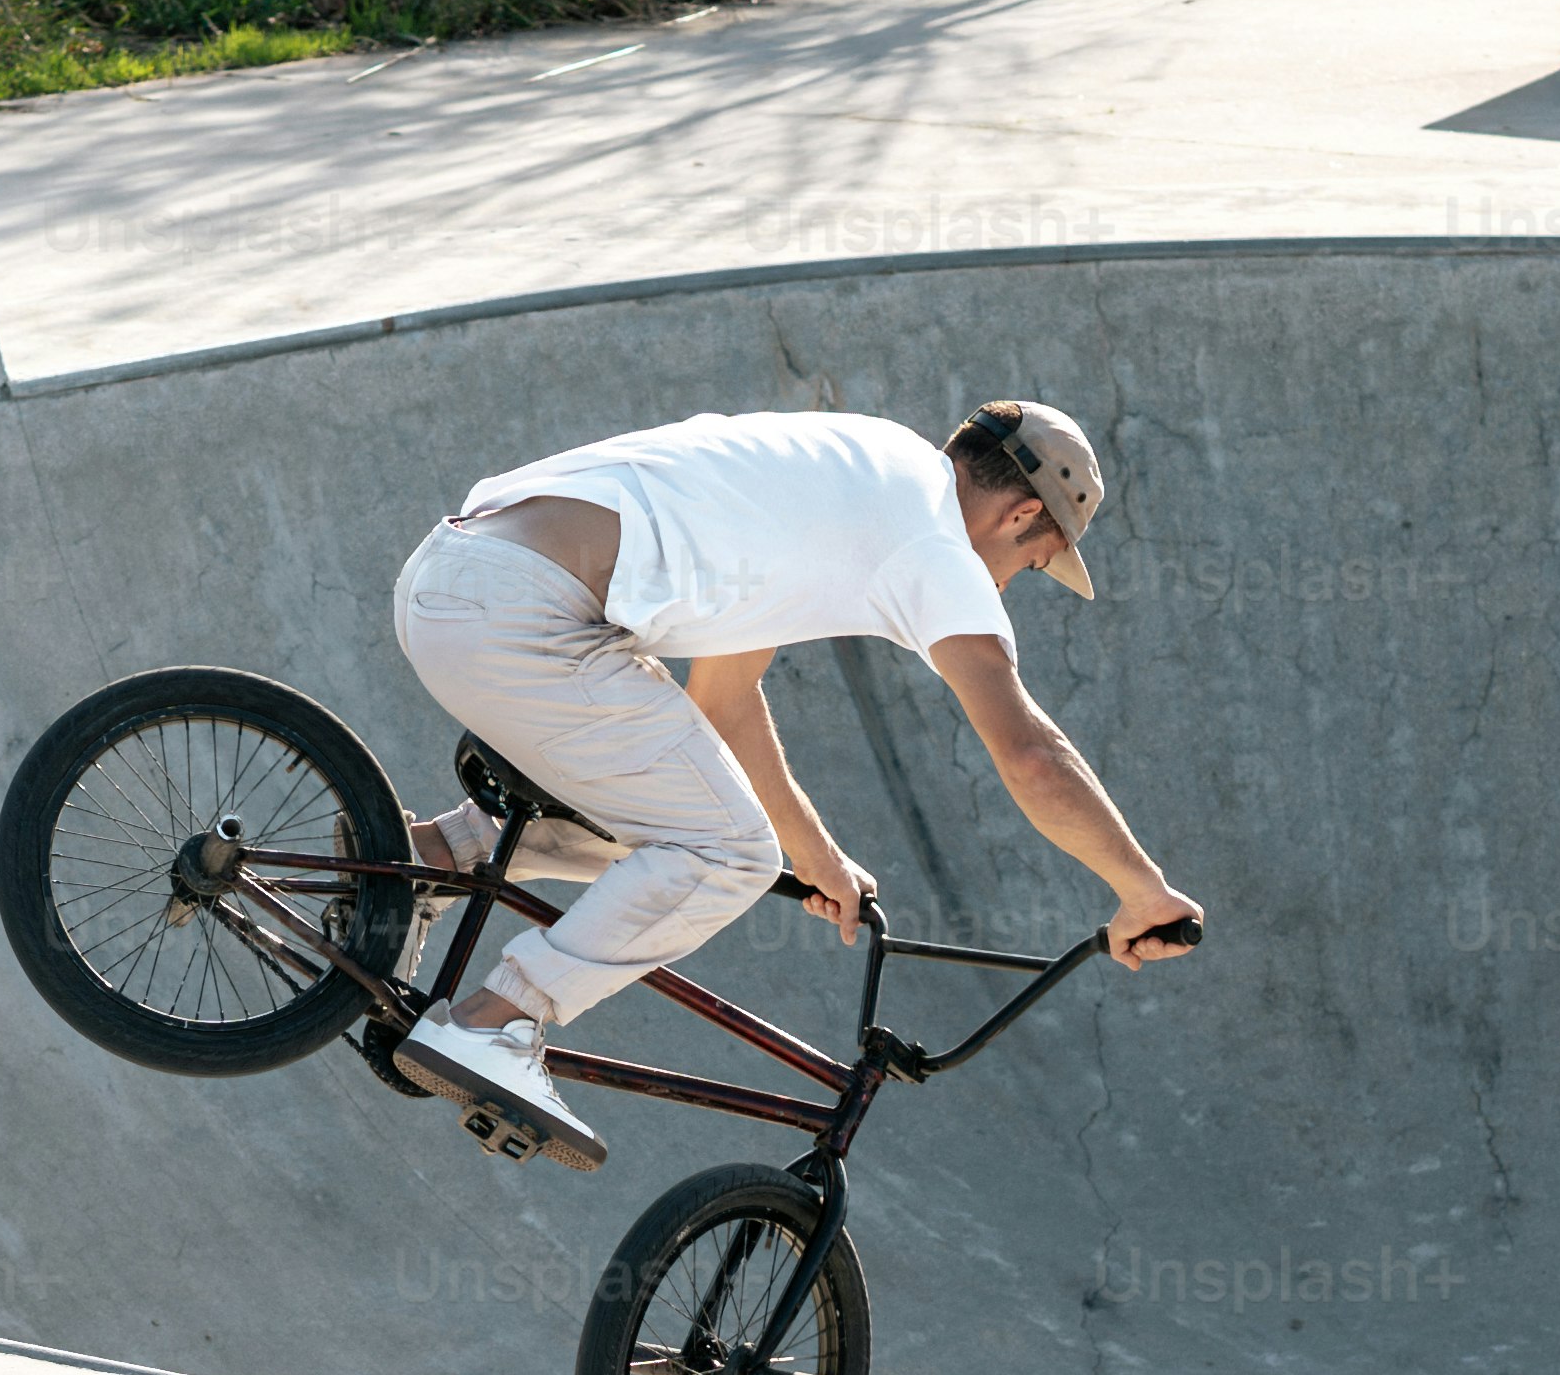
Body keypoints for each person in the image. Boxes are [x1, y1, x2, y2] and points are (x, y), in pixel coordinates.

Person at [377, 397, 1201, 1167]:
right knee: (727, 853)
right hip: (527, 617)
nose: (1006, 585)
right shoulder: (932, 544)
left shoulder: (862, 465)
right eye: (1032, 560)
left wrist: (816, 857)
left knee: (687, 820)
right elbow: (1028, 753)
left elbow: (722, 704)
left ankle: (430, 859)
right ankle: (494, 1023)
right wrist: (1143, 891)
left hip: (454, 577)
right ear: (1022, 516)